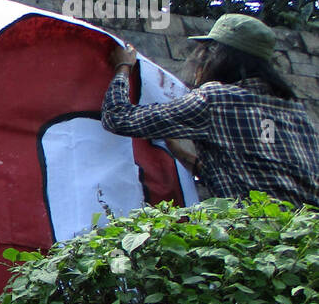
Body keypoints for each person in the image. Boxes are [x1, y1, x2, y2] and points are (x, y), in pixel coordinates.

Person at [102, 13, 319, 208]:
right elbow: (262, 172)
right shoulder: (294, 110)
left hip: (260, 238)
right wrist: (181, 154)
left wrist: (123, 67)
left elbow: (117, 118)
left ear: (218, 56)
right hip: (305, 236)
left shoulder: (216, 99)